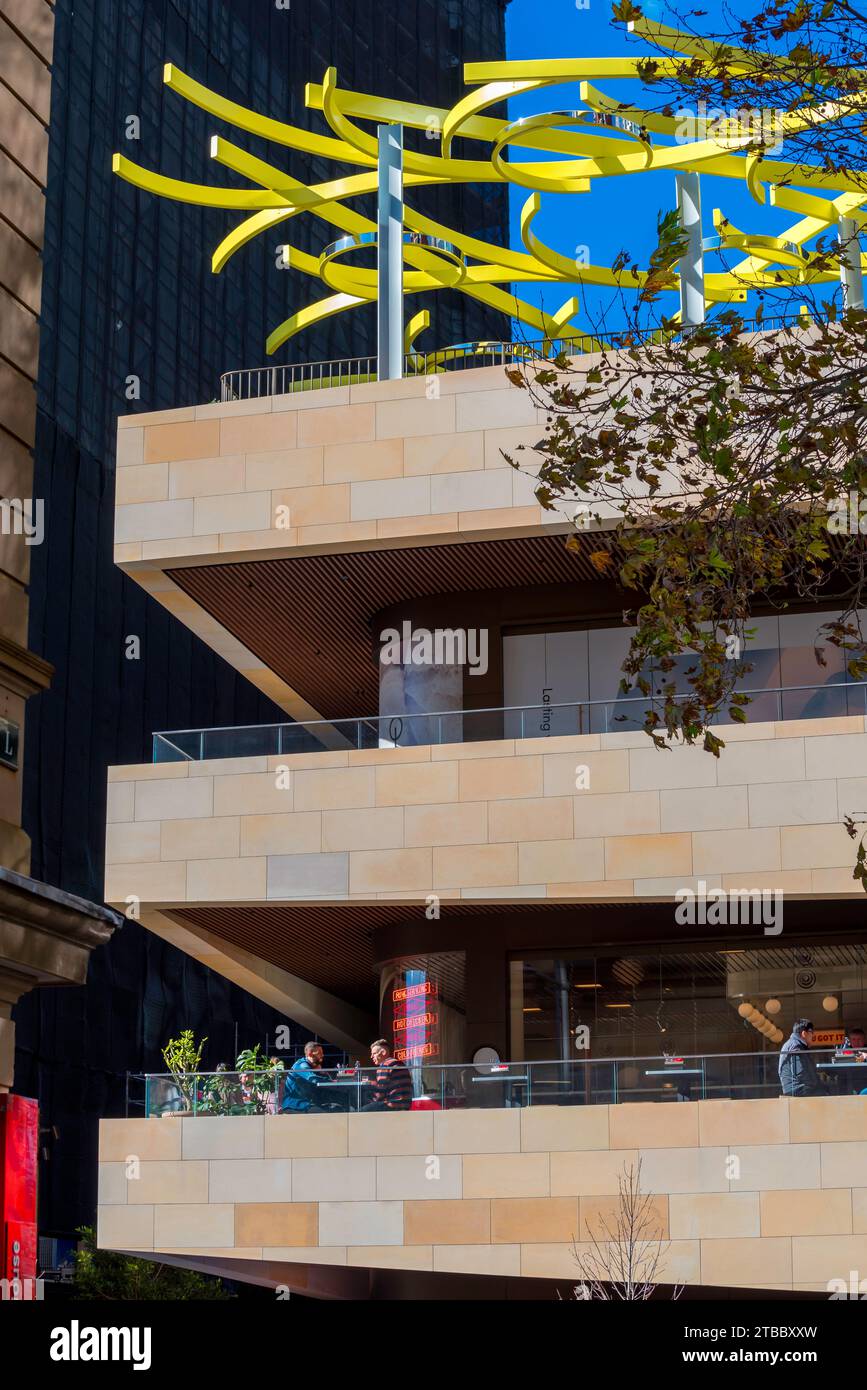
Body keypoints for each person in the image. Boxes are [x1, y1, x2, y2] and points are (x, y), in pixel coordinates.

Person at [360, 1039, 413, 1112]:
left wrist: (370, 1085)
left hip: (392, 1104)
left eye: (374, 1053)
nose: (371, 1056)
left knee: (359, 1111)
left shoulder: (385, 1066)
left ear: (383, 1052)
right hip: (405, 1105)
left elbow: (380, 1092)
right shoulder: (399, 1064)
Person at [280, 1041, 333, 1113]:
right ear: (310, 1054)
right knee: (325, 1115)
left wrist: (322, 1073)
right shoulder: (302, 1065)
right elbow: (313, 1079)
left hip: (306, 1104)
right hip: (295, 1105)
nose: (322, 1055)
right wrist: (332, 1082)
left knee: (336, 1109)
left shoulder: (312, 1066)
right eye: (319, 1053)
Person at [778, 1019, 823, 1097]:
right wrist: (815, 1084)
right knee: (825, 1092)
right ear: (804, 1033)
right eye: (811, 1032)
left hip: (797, 1087)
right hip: (796, 1089)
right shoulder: (796, 1046)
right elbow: (799, 1073)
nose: (813, 1035)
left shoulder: (796, 1044)